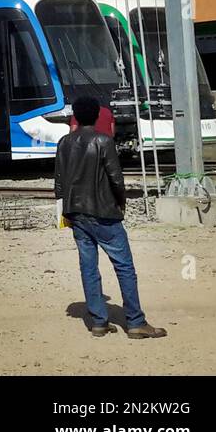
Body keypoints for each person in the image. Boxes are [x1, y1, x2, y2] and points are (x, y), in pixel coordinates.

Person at [54, 96, 166, 339]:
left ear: (75, 117)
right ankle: (136, 322)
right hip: (103, 213)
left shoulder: (63, 143)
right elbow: (116, 179)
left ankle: (98, 322)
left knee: (88, 267)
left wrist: (65, 213)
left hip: (76, 213)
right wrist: (121, 203)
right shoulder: (103, 141)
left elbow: (59, 183)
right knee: (124, 266)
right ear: (96, 116)